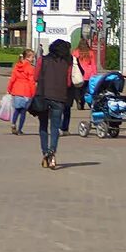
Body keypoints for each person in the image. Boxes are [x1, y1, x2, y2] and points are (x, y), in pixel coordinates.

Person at [36, 39, 82, 169]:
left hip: (43, 96)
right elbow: (68, 82)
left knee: (43, 126)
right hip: (60, 97)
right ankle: (52, 153)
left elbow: (35, 77)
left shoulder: (42, 60)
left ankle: (45, 153)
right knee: (55, 128)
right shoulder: (68, 63)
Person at [6, 51, 39, 135]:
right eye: (32, 57)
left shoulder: (17, 66)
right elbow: (31, 82)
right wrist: (33, 93)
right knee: (23, 111)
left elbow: (12, 79)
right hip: (26, 91)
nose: (33, 59)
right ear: (28, 57)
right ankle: (20, 129)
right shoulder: (30, 68)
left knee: (16, 109)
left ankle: (13, 123)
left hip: (16, 90)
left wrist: (9, 89)